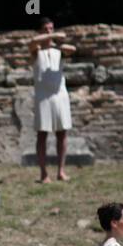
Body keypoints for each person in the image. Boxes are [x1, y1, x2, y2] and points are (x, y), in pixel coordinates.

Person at [29, 17, 77, 182]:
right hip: (43, 96)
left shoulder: (59, 50)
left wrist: (56, 40)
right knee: (42, 135)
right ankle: (43, 173)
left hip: (59, 95)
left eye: (51, 28)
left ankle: (61, 171)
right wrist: (51, 36)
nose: (50, 32)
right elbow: (33, 41)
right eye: (46, 29)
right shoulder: (36, 51)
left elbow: (72, 49)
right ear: (41, 31)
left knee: (62, 134)